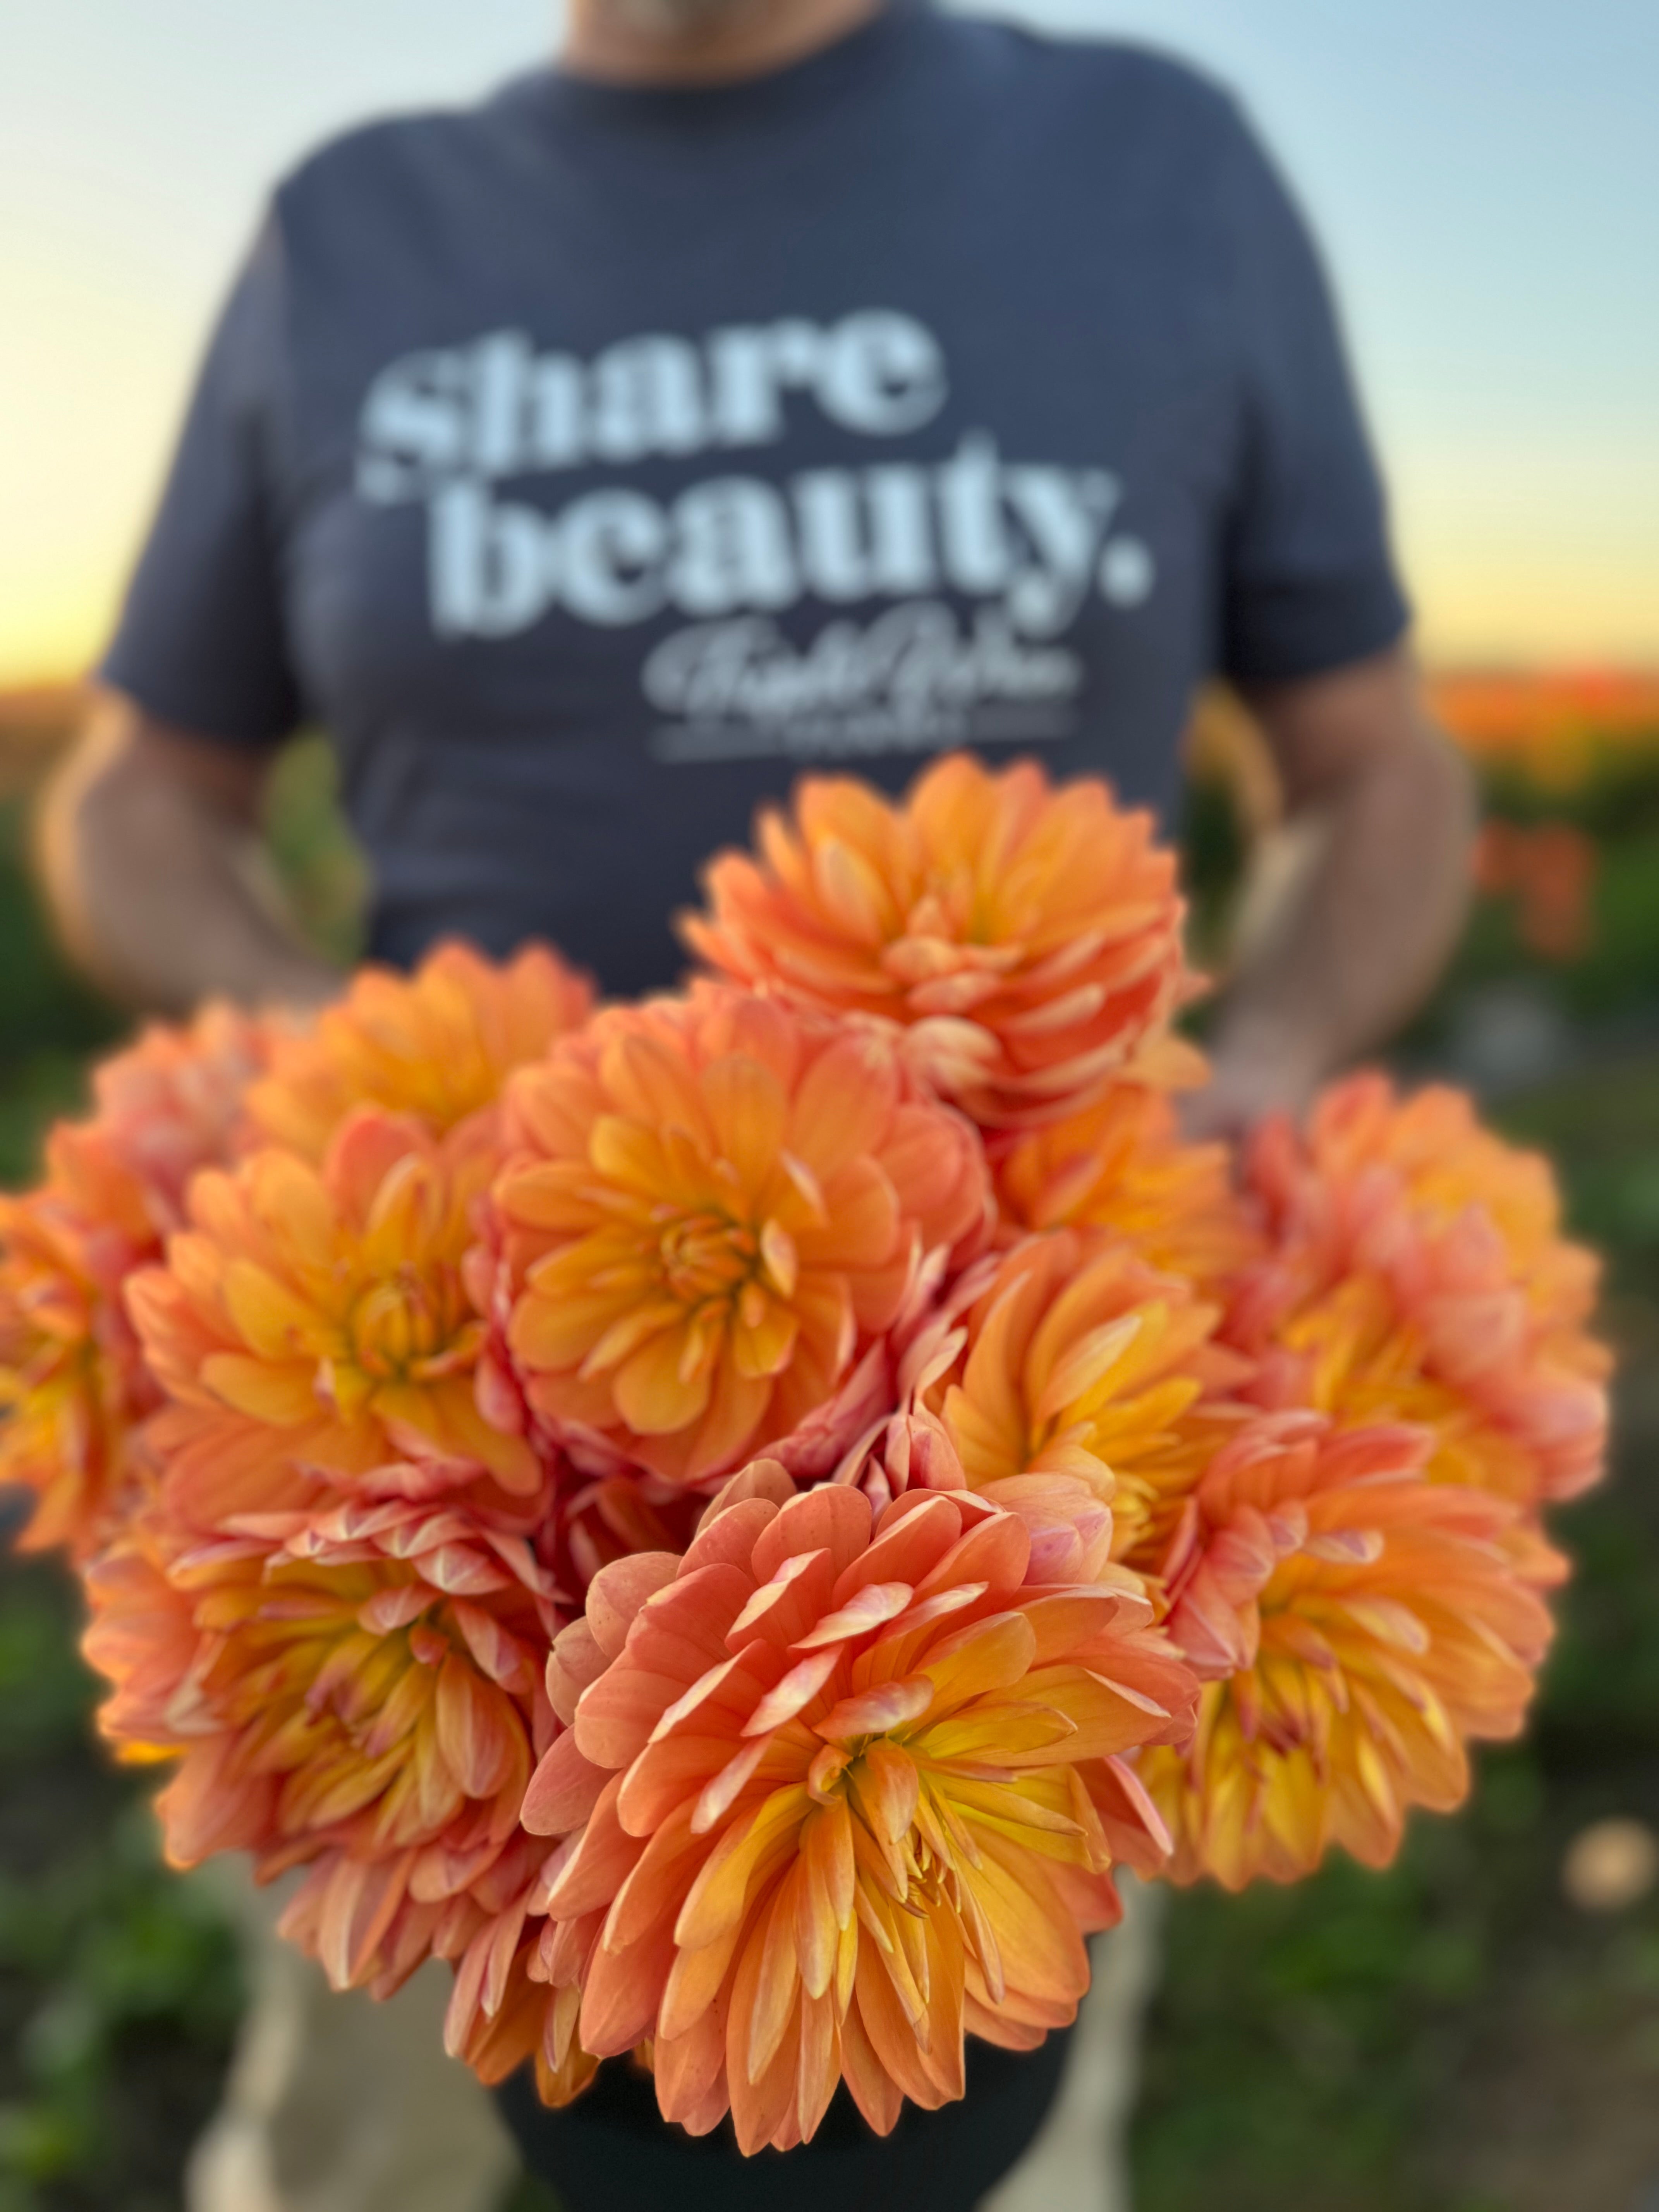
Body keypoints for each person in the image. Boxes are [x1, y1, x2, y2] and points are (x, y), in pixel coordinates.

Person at [40, 0, 1476, 2205]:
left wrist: (1261, 1079)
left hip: (1031, 1501)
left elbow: (1375, 767)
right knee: (367, 2152)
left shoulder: (1155, 167)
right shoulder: (353, 234)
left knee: (951, 2124)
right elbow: (139, 792)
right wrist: (304, 1049)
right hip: (413, 1470)